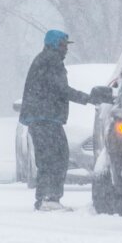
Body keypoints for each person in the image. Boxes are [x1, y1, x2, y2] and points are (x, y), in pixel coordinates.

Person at [19, 29, 95, 211]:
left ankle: (45, 198)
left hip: (43, 117)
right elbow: (60, 88)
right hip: (45, 118)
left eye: (66, 46)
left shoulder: (45, 59)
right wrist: (88, 98)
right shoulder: (51, 61)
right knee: (55, 157)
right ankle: (49, 198)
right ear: (53, 45)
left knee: (51, 157)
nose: (65, 50)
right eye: (62, 45)